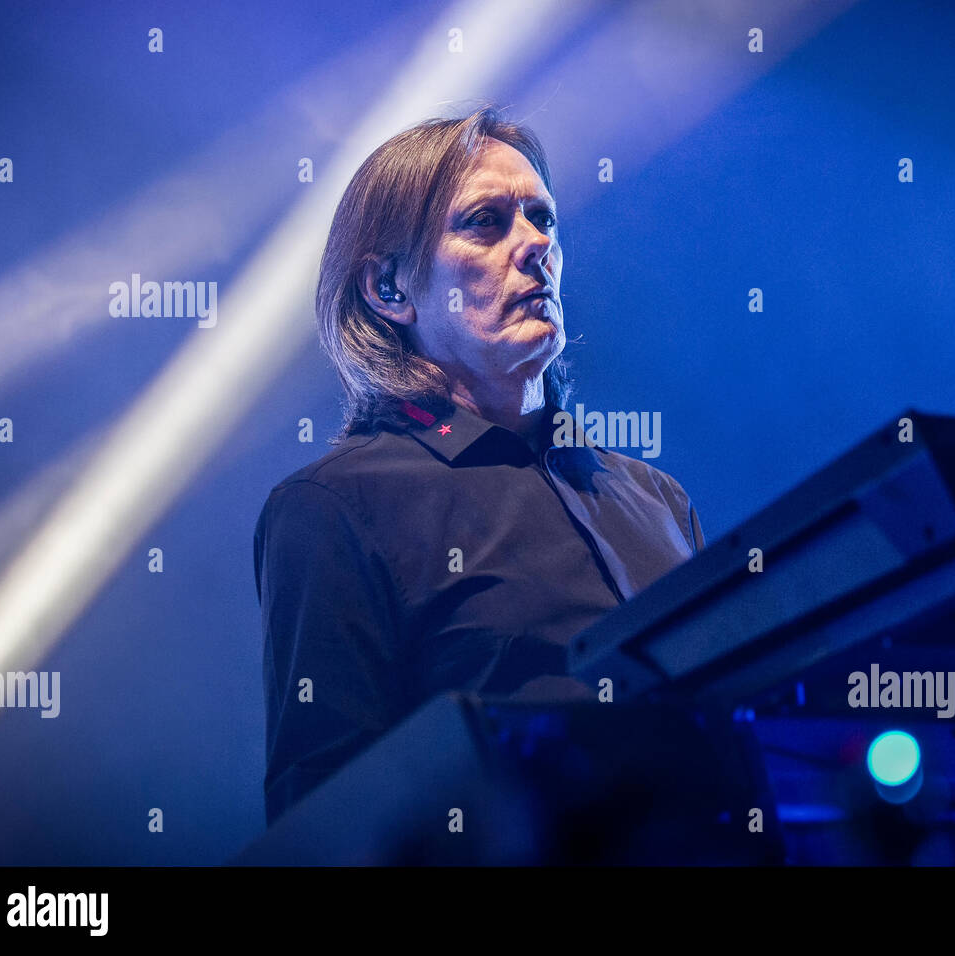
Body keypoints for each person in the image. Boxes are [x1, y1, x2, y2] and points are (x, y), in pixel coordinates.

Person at [253, 106, 704, 826]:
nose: (533, 246)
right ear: (389, 289)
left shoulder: (657, 498)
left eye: (543, 219)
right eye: (485, 222)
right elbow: (323, 816)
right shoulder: (334, 506)